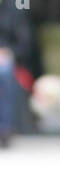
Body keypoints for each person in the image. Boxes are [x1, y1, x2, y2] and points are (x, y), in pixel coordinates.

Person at [0, 5, 32, 148]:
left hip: (7, 59)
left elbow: (25, 43)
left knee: (5, 73)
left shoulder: (14, 9)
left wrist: (8, 52)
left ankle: (5, 130)